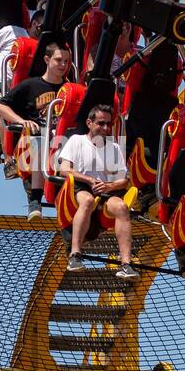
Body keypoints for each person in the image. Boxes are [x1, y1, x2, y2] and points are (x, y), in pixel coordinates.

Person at [56, 103, 138, 279]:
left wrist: (109, 186)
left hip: (106, 189)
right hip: (81, 185)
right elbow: (64, 169)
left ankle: (126, 263)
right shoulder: (76, 140)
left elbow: (124, 180)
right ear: (89, 123)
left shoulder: (114, 148)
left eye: (108, 124)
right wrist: (89, 180)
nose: (105, 128)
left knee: (122, 207)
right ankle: (75, 255)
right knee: (86, 201)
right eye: (101, 123)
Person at [0, 39, 71, 218]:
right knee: (40, 141)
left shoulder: (69, 89)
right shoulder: (30, 85)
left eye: (66, 62)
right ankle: (35, 201)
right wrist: (21, 121)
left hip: (59, 142)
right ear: (46, 60)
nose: (63, 65)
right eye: (58, 60)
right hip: (29, 145)